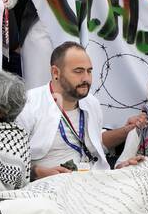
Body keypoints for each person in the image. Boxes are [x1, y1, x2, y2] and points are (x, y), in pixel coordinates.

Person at [16, 42, 129, 177]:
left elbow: (95, 142)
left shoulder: (91, 102)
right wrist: (37, 173)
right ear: (56, 72)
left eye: (89, 71)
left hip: (94, 180)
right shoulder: (28, 104)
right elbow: (9, 161)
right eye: (78, 71)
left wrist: (128, 130)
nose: (86, 78)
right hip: (48, 187)